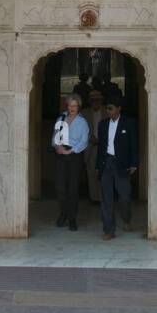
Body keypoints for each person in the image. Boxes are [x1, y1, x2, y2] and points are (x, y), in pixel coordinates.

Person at [96, 87, 138, 241]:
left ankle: (126, 219)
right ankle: (109, 229)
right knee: (106, 199)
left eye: (111, 109)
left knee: (124, 196)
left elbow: (134, 145)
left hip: (122, 164)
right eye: (107, 108)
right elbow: (101, 147)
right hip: (106, 163)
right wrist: (97, 166)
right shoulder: (103, 125)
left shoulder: (129, 123)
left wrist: (134, 163)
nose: (108, 111)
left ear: (119, 109)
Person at [51, 94, 90, 231]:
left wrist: (71, 151)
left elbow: (84, 141)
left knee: (73, 189)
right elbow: (55, 136)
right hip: (61, 154)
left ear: (78, 106)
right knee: (59, 187)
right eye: (69, 105)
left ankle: (71, 218)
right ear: (67, 106)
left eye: (74, 106)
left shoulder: (82, 122)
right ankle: (64, 212)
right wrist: (57, 147)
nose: (72, 108)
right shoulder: (61, 118)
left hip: (75, 155)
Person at [83, 88, 105, 203]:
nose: (95, 102)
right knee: (91, 173)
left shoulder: (107, 112)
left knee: (103, 173)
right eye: (93, 100)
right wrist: (89, 137)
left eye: (97, 100)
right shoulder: (84, 113)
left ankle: (103, 197)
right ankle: (94, 198)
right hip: (90, 147)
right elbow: (80, 130)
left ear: (101, 100)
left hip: (103, 147)